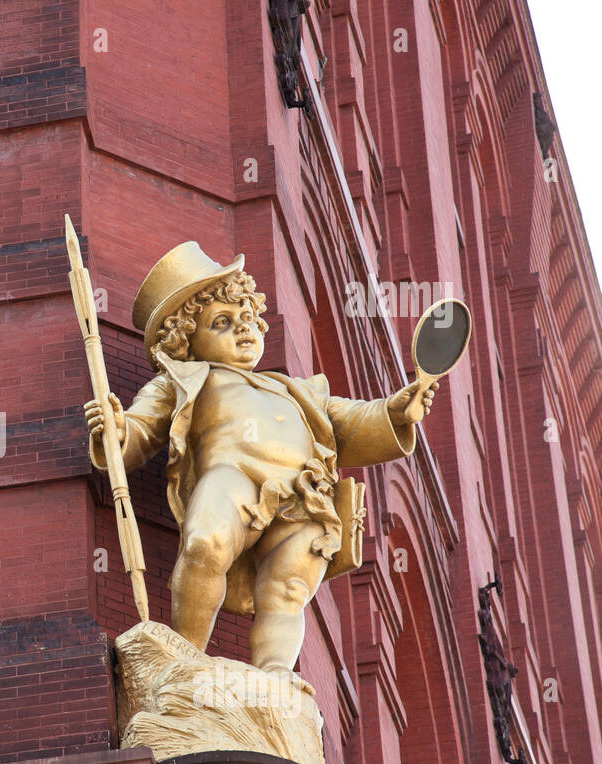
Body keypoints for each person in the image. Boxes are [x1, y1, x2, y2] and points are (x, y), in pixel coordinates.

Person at [85, 242, 437, 679]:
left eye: (248, 318)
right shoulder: (186, 379)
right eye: (223, 322)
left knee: (289, 589)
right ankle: (187, 663)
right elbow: (142, 427)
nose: (244, 329)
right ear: (186, 341)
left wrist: (395, 410)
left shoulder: (300, 391)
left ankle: (276, 679)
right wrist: (117, 431)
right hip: (233, 477)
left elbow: (352, 423)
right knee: (205, 542)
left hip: (305, 494)